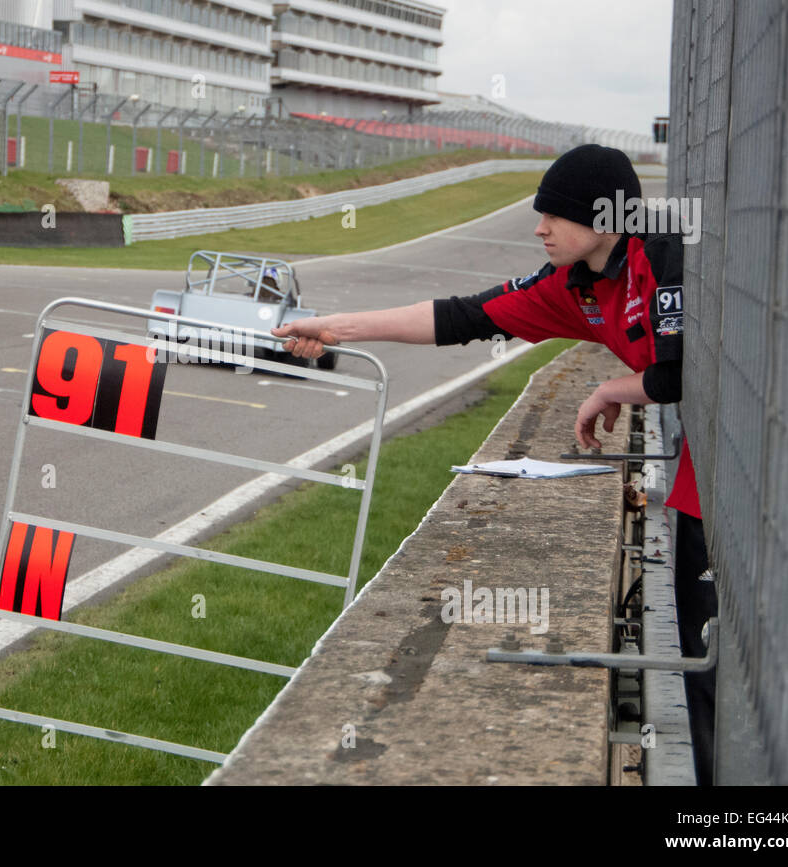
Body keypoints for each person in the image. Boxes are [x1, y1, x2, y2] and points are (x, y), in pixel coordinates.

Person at [271, 143, 716, 784]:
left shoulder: (666, 244)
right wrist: (340, 327)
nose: (539, 228)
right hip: (708, 482)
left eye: (554, 216)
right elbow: (463, 316)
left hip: (770, 467)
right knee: (712, 673)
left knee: (743, 675)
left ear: (606, 217)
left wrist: (607, 390)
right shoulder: (573, 284)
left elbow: (674, 373)